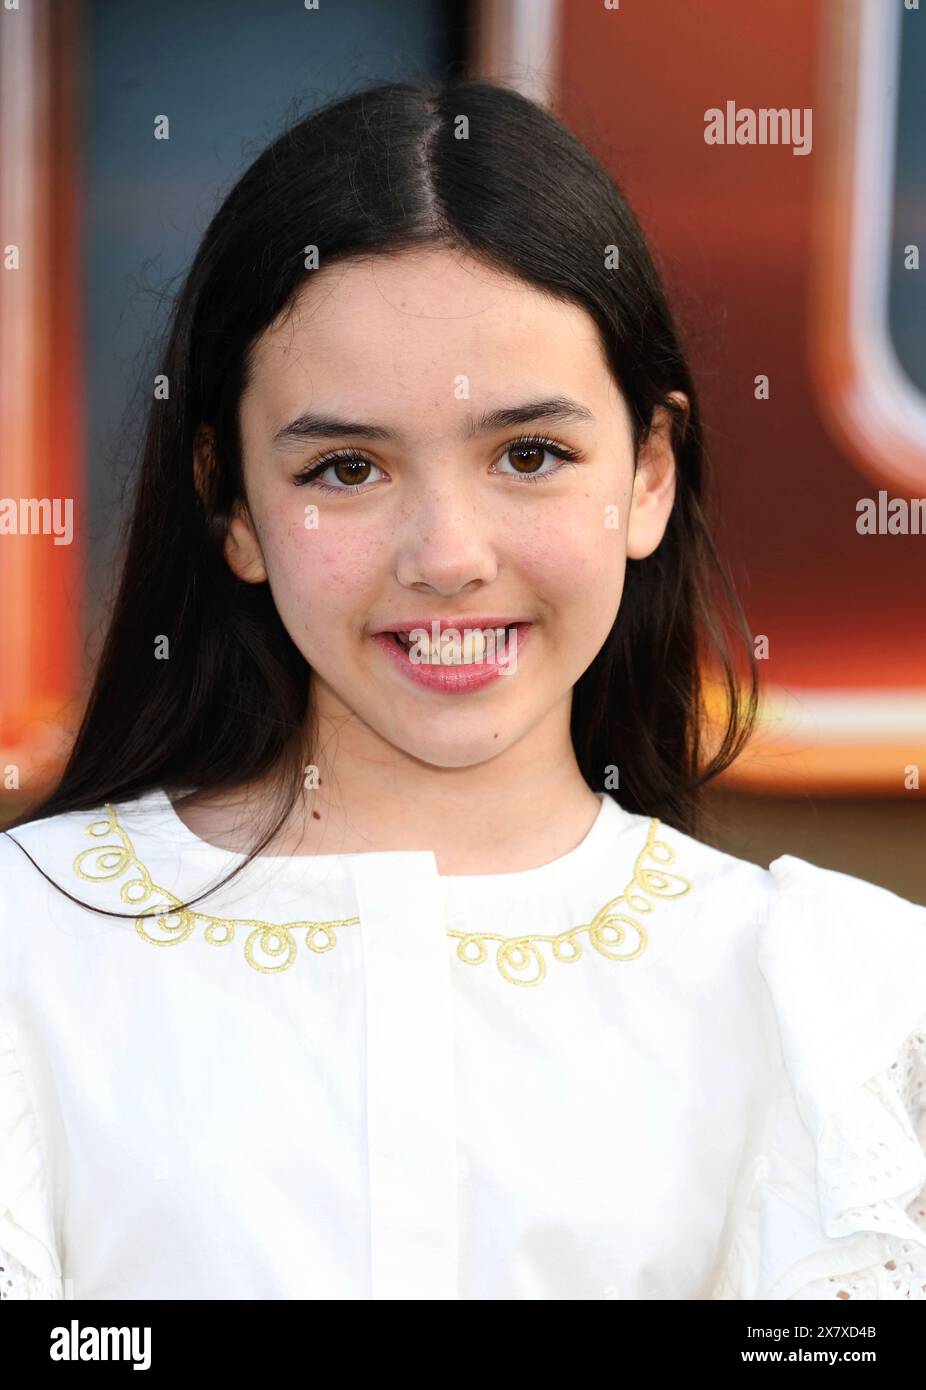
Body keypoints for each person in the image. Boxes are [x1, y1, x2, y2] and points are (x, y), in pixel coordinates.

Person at [1, 78, 924, 1303]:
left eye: (529, 455)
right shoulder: (33, 952)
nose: (445, 554)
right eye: (345, 466)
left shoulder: (833, 1001)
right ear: (231, 506)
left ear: (647, 472)